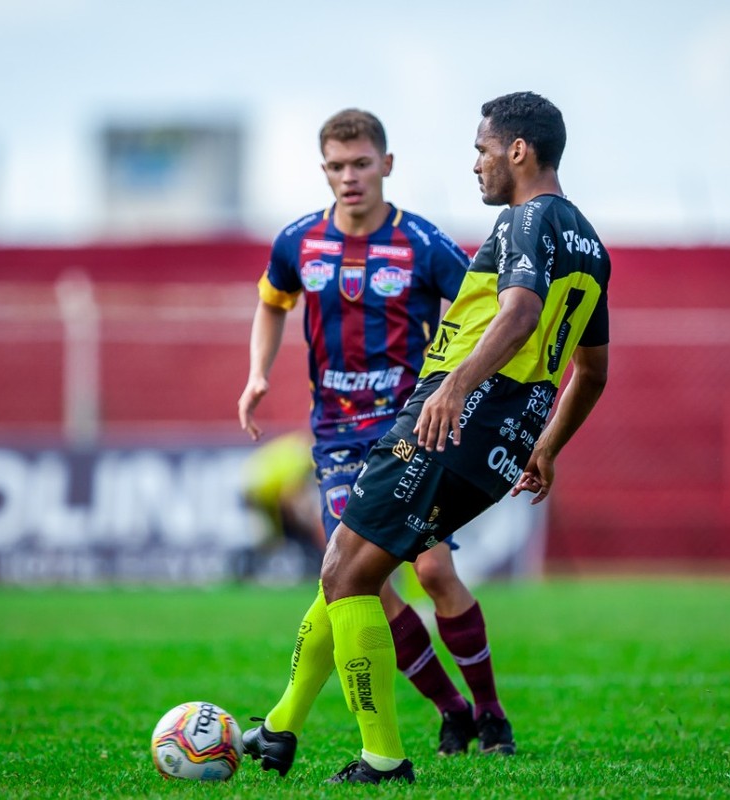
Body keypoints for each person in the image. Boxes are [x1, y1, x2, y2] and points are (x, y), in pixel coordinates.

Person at [256, 91, 612, 784]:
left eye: (482, 149)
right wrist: (546, 446)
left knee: (343, 574)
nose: (476, 164)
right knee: (353, 563)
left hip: (452, 422)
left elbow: (517, 314)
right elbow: (591, 372)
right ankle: (282, 727)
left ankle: (382, 757)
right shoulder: (591, 245)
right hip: (503, 442)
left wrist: (454, 386)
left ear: (518, 151)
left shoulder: (524, 220)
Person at [236, 109, 513, 772]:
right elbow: (273, 304)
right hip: (335, 439)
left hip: (410, 431)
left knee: (435, 570)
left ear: (386, 165)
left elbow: (486, 304)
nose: (349, 177)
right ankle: (447, 712)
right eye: (336, 166)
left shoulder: (421, 243)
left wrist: (462, 385)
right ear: (323, 170)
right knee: (363, 586)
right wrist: (256, 374)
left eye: (361, 163)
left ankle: (490, 714)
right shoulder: (298, 242)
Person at [237, 430, 324, 579]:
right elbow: (288, 497)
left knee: (269, 538)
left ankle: (246, 569)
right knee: (282, 535)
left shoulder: (294, 446)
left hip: (253, 489)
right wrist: (301, 524)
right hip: (261, 495)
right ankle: (247, 568)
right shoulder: (305, 459)